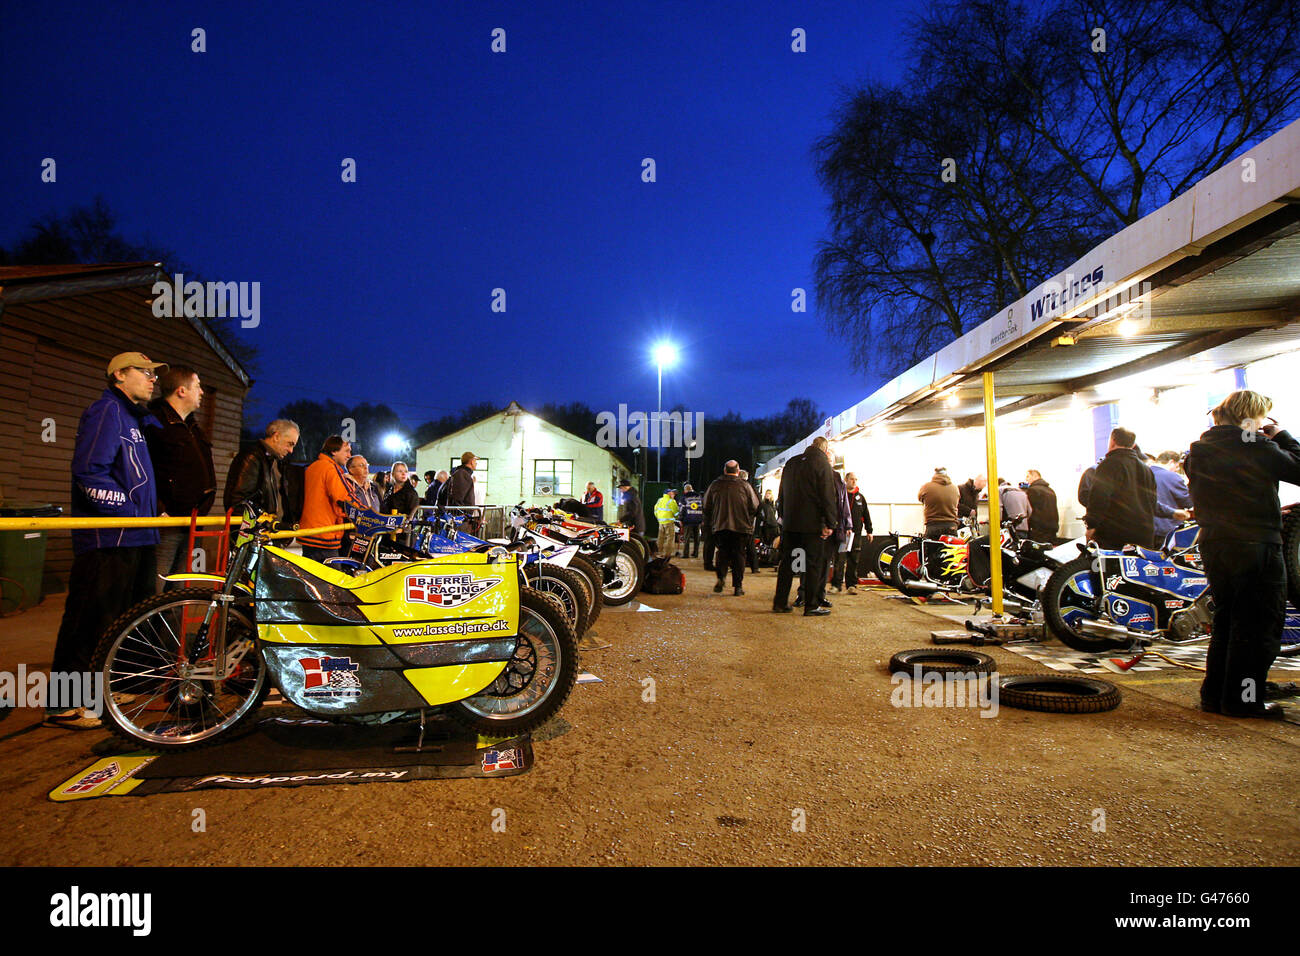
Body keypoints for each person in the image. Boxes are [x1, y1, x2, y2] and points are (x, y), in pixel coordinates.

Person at [46, 352, 167, 729]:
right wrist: (129, 514)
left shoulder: (135, 420)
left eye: (154, 374)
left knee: (119, 618)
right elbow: (90, 471)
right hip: (107, 538)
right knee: (89, 617)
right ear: (119, 375)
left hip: (136, 537)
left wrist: (150, 517)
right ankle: (63, 704)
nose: (153, 380)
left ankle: (105, 688)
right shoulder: (105, 411)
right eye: (144, 373)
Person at [1185, 391, 1300, 718]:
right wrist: (1282, 436)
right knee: (1258, 627)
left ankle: (1216, 696)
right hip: (1254, 544)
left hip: (1214, 544)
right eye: (1261, 418)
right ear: (1251, 417)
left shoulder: (1198, 451)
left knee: (1227, 621)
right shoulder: (1257, 446)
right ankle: (1244, 700)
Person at [144, 365, 215, 589]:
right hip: (167, 523)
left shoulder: (192, 427)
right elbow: (144, 470)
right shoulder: (154, 423)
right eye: (198, 386)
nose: (202, 392)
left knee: (179, 590)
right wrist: (158, 509)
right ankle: (147, 625)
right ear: (181, 391)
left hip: (192, 520)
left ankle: (171, 626)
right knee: (156, 584)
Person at [1085, 427, 1188, 549]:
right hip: (1144, 536)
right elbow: (1151, 502)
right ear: (1133, 444)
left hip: (1115, 535)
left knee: (1110, 568)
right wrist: (1173, 512)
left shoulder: (1108, 464)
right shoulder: (1145, 469)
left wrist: (1091, 525)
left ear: (1112, 440)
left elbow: (1099, 497)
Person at [773, 436, 837, 616]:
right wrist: (830, 522)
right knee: (813, 565)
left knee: (787, 564)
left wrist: (783, 517)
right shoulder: (821, 463)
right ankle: (811, 605)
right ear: (825, 450)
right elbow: (827, 495)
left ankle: (780, 602)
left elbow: (782, 495)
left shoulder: (791, 463)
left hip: (790, 523)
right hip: (812, 524)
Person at [225, 419, 300, 526]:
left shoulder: (277, 463)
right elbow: (238, 501)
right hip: (254, 535)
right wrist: (259, 528)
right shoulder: (252, 458)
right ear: (276, 436)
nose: (291, 450)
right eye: (290, 444)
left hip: (271, 532)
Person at [704, 461, 758, 595]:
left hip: (720, 527)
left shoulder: (715, 485)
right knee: (739, 555)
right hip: (741, 528)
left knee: (722, 553)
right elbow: (754, 506)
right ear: (738, 471)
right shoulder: (745, 486)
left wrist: (714, 519)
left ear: (724, 470)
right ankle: (738, 587)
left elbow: (706, 506)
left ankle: (721, 578)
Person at [299, 436, 354, 562]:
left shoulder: (313, 467)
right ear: (334, 451)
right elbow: (344, 498)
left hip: (309, 532)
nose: (349, 455)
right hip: (325, 533)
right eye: (346, 451)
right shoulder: (330, 469)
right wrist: (368, 514)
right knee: (333, 579)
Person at [832, 472, 872, 594]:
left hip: (856, 535)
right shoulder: (840, 496)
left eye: (855, 479)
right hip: (843, 534)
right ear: (846, 480)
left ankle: (851, 585)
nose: (854, 481)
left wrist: (869, 531)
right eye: (851, 479)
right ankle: (836, 585)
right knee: (840, 559)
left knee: (854, 560)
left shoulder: (861, 498)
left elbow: (866, 515)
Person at [1151, 450, 1192, 549]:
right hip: (1164, 529)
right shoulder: (1172, 476)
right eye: (1177, 467)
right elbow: (1188, 502)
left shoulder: (1143, 472)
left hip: (1144, 528)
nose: (1176, 470)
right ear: (1171, 462)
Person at [918, 467, 960, 537]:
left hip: (933, 525)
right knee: (951, 548)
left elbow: (920, 498)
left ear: (935, 474)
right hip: (951, 526)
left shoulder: (926, 487)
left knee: (931, 547)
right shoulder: (955, 488)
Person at [1024, 470, 1059, 543]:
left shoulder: (1033, 490)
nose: (1026, 479)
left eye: (1028, 476)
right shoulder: (1050, 490)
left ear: (1035, 476)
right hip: (1052, 526)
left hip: (1039, 529)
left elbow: (1030, 509)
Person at [679, 482, 705, 558]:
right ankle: (695, 553)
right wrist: (702, 519)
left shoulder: (684, 497)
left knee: (687, 537)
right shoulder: (699, 497)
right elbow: (703, 508)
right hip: (698, 520)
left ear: (685, 490)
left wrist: (680, 519)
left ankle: (686, 554)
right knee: (697, 538)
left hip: (688, 520)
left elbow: (681, 509)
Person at [654, 488, 680, 557]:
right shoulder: (672, 501)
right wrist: (677, 518)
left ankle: (659, 552)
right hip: (669, 522)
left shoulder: (659, 500)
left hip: (661, 522)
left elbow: (655, 510)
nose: (673, 495)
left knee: (660, 538)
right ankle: (667, 554)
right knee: (670, 538)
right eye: (672, 493)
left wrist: (659, 518)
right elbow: (676, 513)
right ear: (669, 494)